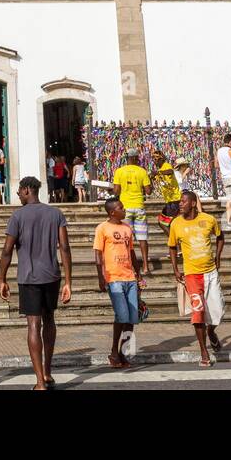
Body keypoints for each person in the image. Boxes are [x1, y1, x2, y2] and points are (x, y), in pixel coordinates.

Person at [0, 176, 72, 390]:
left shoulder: (17, 216)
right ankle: (47, 373)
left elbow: (6, 250)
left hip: (28, 277)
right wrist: (68, 280)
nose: (18, 195)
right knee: (49, 320)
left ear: (27, 190)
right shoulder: (55, 213)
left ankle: (39, 381)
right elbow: (65, 248)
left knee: (33, 324)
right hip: (52, 275)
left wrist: (2, 278)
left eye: (20, 191)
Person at [167, 190, 224, 368]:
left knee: (218, 312)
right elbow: (172, 247)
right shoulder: (176, 224)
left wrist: (218, 258)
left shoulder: (208, 219)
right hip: (191, 275)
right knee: (197, 313)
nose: (180, 204)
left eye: (183, 201)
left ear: (193, 203)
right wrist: (176, 269)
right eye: (179, 202)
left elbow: (220, 237)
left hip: (211, 273)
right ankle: (203, 351)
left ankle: (211, 331)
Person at [94, 198, 144, 369]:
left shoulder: (127, 228)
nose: (124, 210)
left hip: (129, 277)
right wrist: (101, 277)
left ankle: (122, 352)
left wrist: (139, 274)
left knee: (132, 318)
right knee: (121, 316)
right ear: (112, 212)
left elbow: (131, 252)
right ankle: (114, 351)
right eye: (121, 208)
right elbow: (98, 254)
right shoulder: (102, 228)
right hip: (113, 278)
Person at [112, 148, 153, 275]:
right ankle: (145, 266)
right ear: (135, 158)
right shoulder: (142, 171)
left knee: (126, 238)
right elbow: (148, 191)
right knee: (142, 238)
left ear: (127, 158)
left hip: (125, 208)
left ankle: (128, 265)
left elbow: (116, 191)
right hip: (139, 206)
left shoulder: (119, 171)